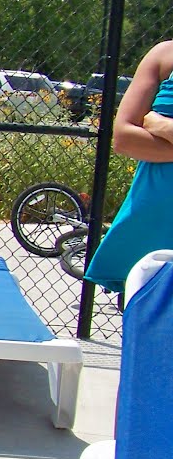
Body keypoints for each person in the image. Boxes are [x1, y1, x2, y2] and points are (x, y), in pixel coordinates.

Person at [83, 40, 173, 292]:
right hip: (152, 226)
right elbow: (124, 138)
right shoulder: (163, 54)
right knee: (146, 327)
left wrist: (163, 126)